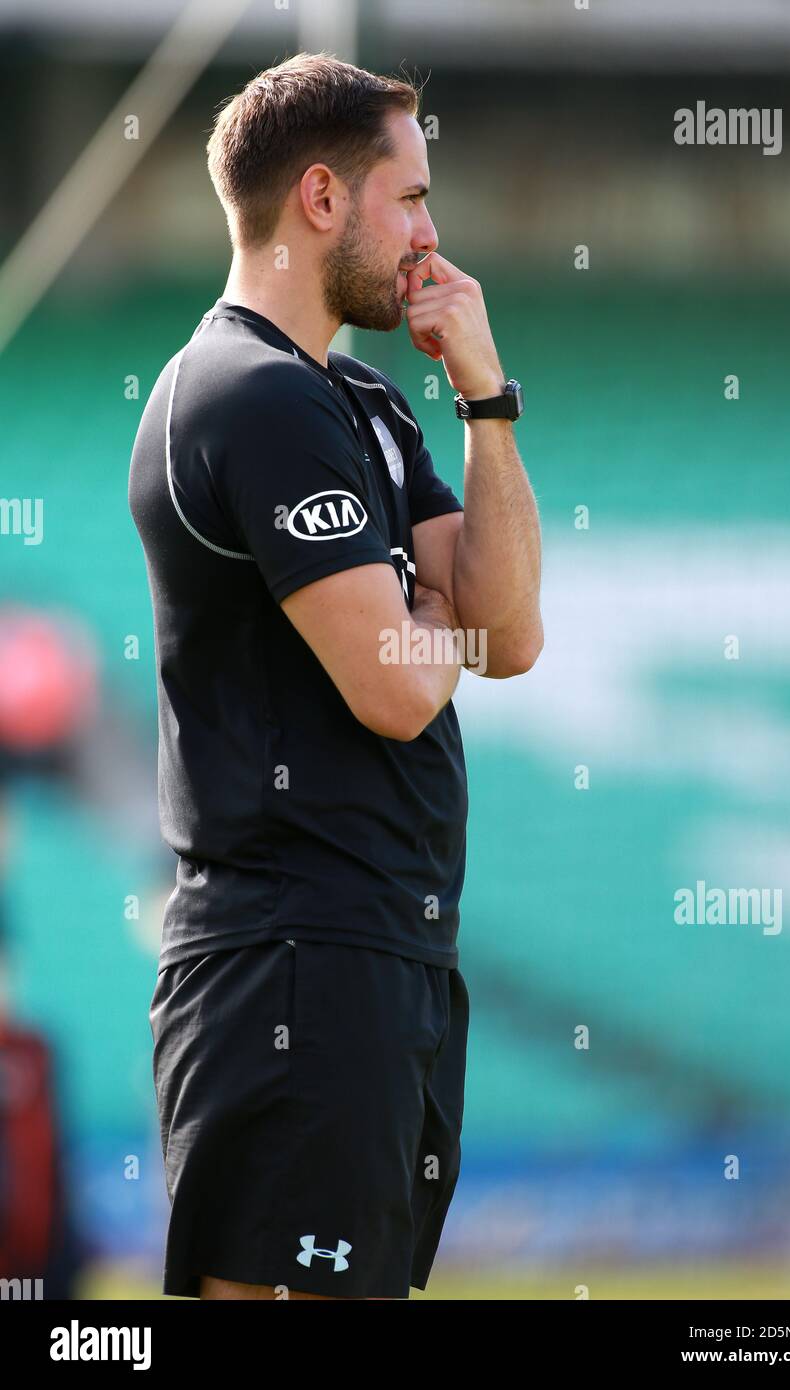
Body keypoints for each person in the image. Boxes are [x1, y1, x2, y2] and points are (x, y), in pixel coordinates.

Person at [128, 51, 543, 1301]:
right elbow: (401, 687)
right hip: (290, 961)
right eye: (408, 198)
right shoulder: (248, 396)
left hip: (384, 952)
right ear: (321, 199)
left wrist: (484, 396)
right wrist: (433, 603)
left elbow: (508, 636)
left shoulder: (356, 396)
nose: (428, 235)